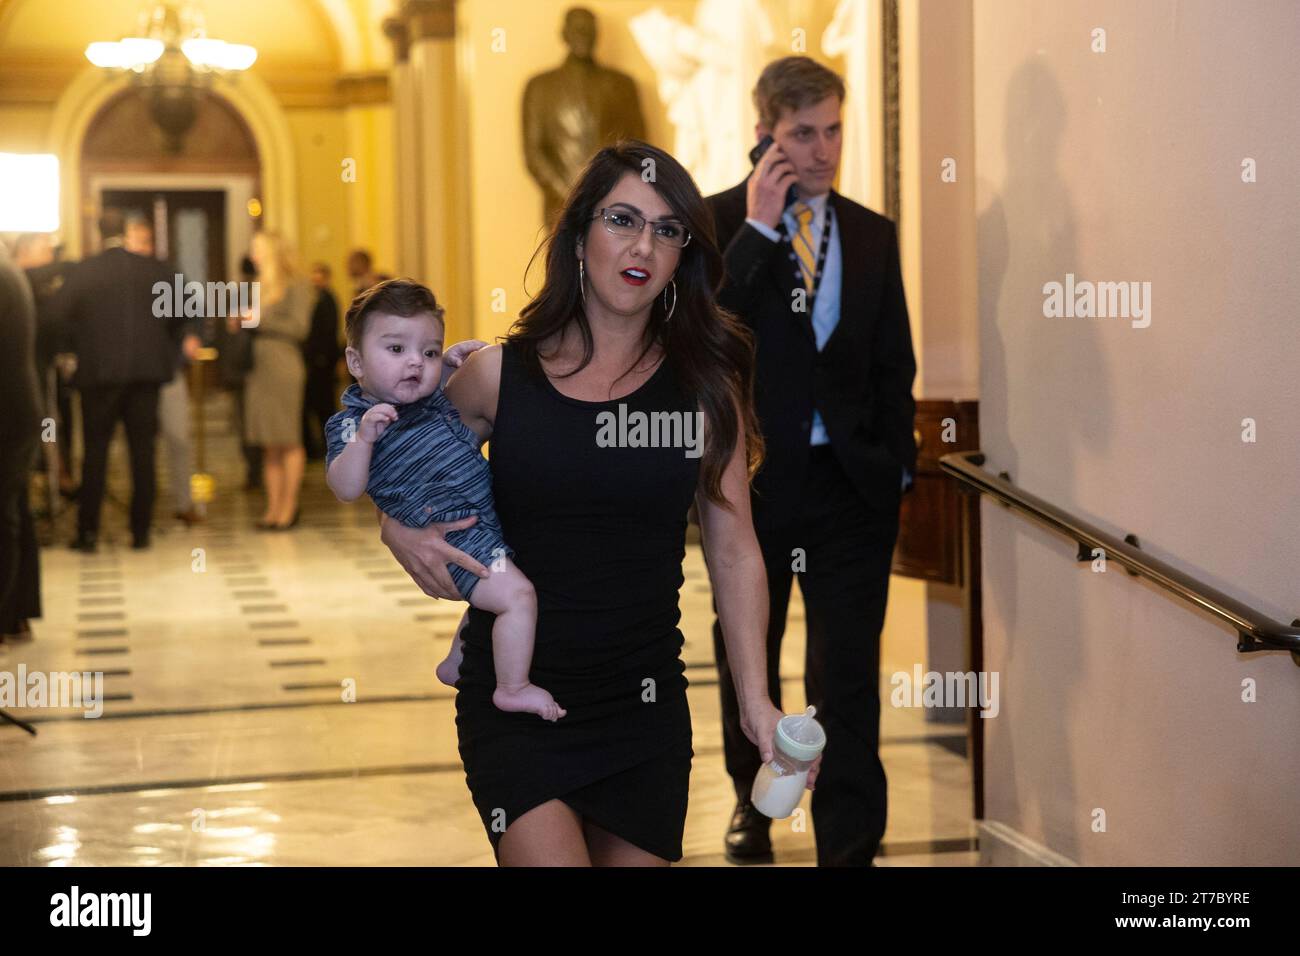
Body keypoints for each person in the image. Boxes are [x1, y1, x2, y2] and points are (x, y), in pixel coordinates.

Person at [379, 140, 817, 866]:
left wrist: (755, 701)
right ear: (580, 233)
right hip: (516, 700)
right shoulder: (499, 377)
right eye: (622, 219)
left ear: (682, 256)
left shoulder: (704, 392)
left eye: (668, 229)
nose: (644, 244)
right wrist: (395, 524)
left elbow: (735, 548)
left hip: (642, 708)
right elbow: (401, 461)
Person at [706, 56, 917, 866]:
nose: (824, 150)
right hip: (752, 486)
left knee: (849, 675)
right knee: (747, 656)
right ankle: (751, 808)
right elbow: (707, 337)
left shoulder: (872, 233)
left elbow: (893, 362)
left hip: (852, 490)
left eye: (834, 129)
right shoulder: (722, 225)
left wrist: (894, 464)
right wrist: (758, 232)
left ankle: (851, 839)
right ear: (765, 132)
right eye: (804, 133)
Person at [325, 279, 564, 722]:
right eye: (396, 350)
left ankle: (456, 659)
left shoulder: (429, 400)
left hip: (483, 519)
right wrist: (362, 441)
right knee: (517, 596)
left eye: (428, 351)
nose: (415, 362)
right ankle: (513, 687)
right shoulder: (351, 423)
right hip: (449, 532)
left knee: (499, 584)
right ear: (355, 361)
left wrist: (451, 365)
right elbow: (345, 487)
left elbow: (448, 405)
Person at [50, 209, 188, 551]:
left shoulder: (85, 270)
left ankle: (88, 533)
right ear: (125, 232)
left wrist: (77, 342)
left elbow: (55, 316)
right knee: (143, 452)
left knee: (95, 452)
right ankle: (140, 533)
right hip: (147, 374)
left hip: (100, 375)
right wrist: (164, 350)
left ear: (97, 234)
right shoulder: (155, 270)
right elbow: (185, 312)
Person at [124, 219, 202, 525]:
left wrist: (192, 336)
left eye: (146, 242)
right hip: (132, 375)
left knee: (178, 437)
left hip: (167, 369)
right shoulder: (120, 279)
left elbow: (190, 314)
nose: (142, 248)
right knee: (140, 442)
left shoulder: (167, 275)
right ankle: (142, 506)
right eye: (136, 242)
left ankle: (184, 502)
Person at [242, 232, 312, 530]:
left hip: (284, 365)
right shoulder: (258, 286)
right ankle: (272, 509)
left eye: (258, 249)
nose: (253, 255)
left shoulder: (298, 285)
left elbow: (299, 328)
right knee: (268, 441)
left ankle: (289, 507)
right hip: (259, 366)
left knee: (287, 437)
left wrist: (259, 321)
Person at [0, 238, 43, 645]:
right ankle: (16, 613)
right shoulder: (7, 267)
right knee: (14, 511)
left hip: (8, 414)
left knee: (4, 517)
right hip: (18, 409)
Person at [302, 262, 342, 459]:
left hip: (322, 362)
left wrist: (321, 357)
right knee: (315, 405)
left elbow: (327, 331)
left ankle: (330, 445)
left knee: (324, 406)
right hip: (315, 361)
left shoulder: (327, 300)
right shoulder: (314, 298)